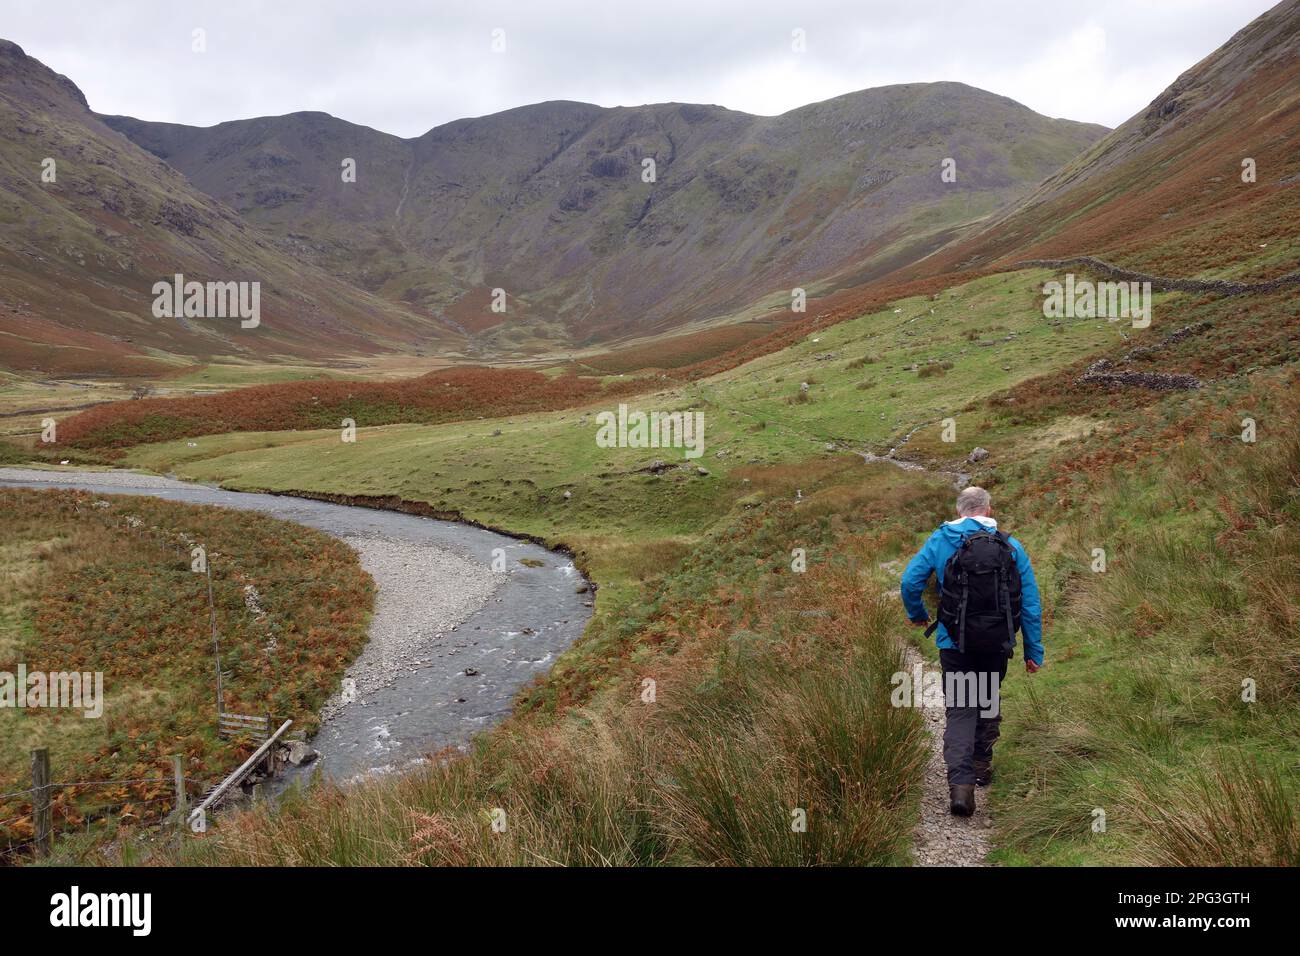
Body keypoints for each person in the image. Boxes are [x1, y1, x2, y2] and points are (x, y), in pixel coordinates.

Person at [900, 486, 1043, 816]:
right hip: (997, 642)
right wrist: (1032, 650)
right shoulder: (1010, 545)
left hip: (955, 643)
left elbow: (910, 582)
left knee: (962, 707)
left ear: (959, 510)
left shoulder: (940, 540)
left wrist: (918, 615)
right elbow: (1031, 603)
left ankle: (961, 787)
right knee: (988, 698)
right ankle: (981, 767)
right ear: (988, 511)